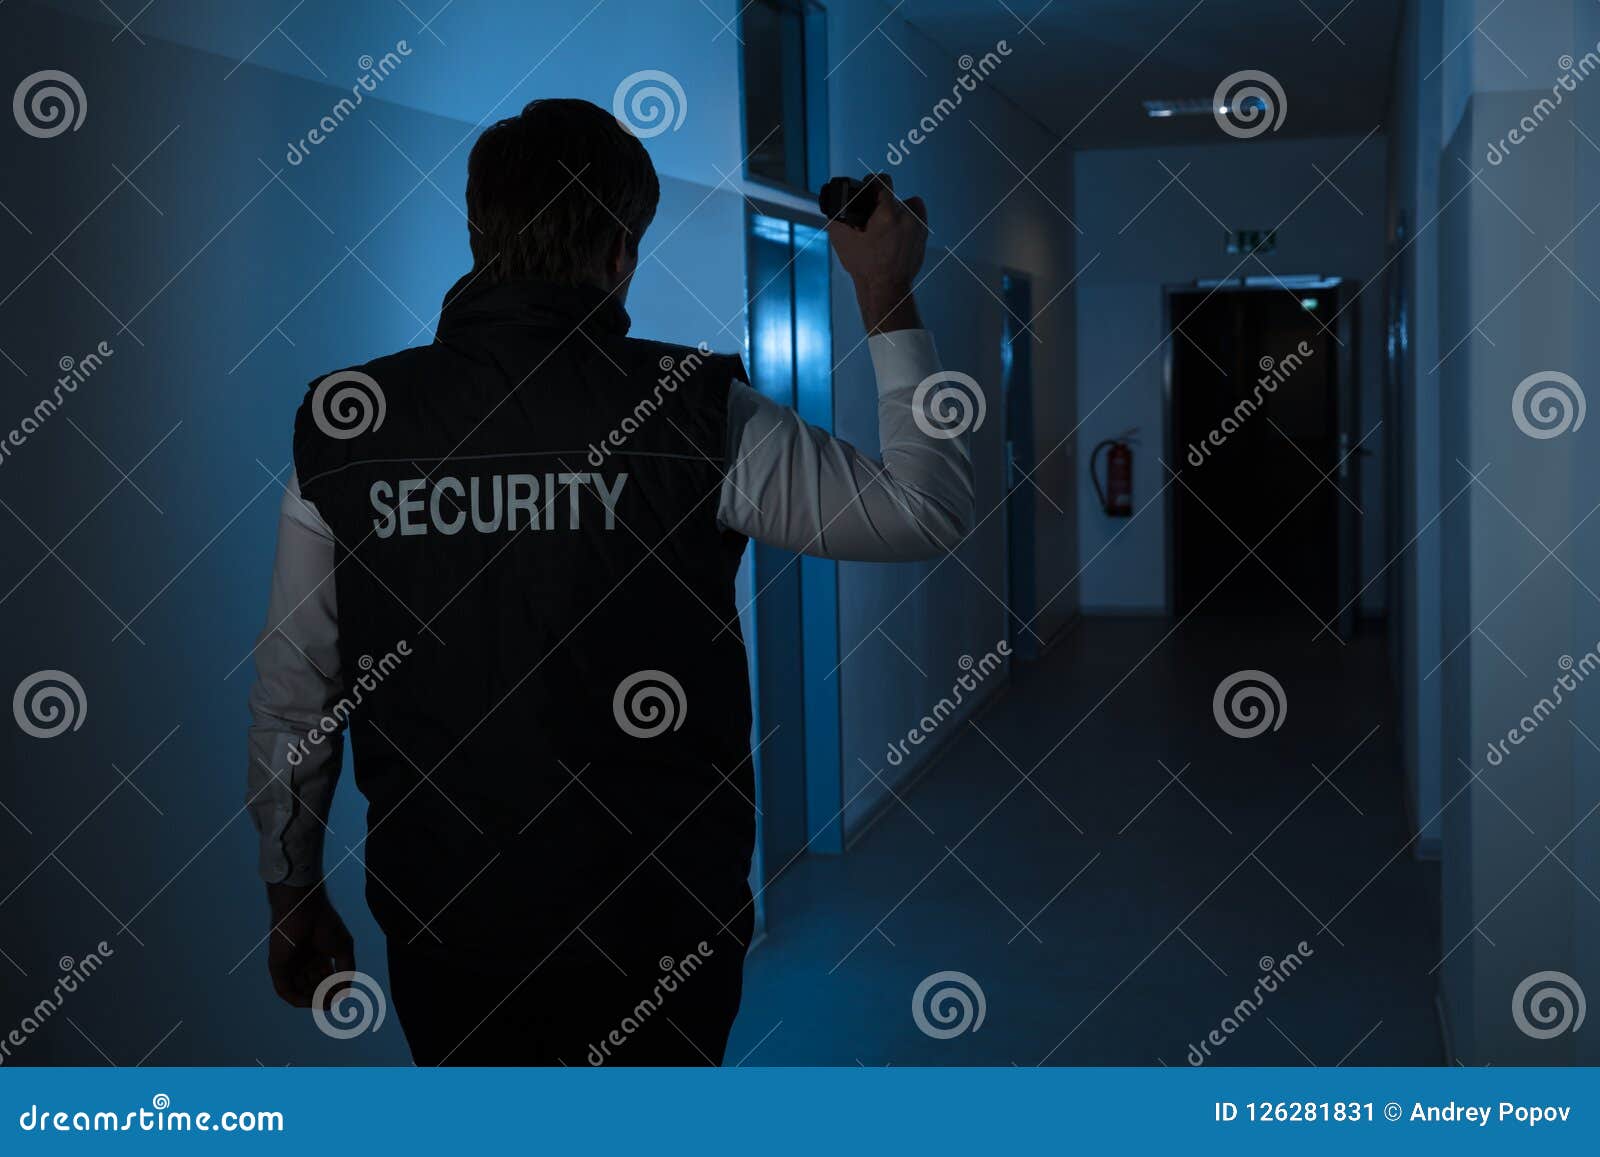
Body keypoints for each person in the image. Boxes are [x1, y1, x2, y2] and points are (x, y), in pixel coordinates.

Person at [245, 97, 973, 1065]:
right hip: (659, 933)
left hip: (449, 930)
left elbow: (294, 693)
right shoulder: (696, 413)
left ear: (477, 233)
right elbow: (927, 508)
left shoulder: (347, 425)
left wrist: (291, 889)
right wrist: (884, 291)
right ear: (623, 256)